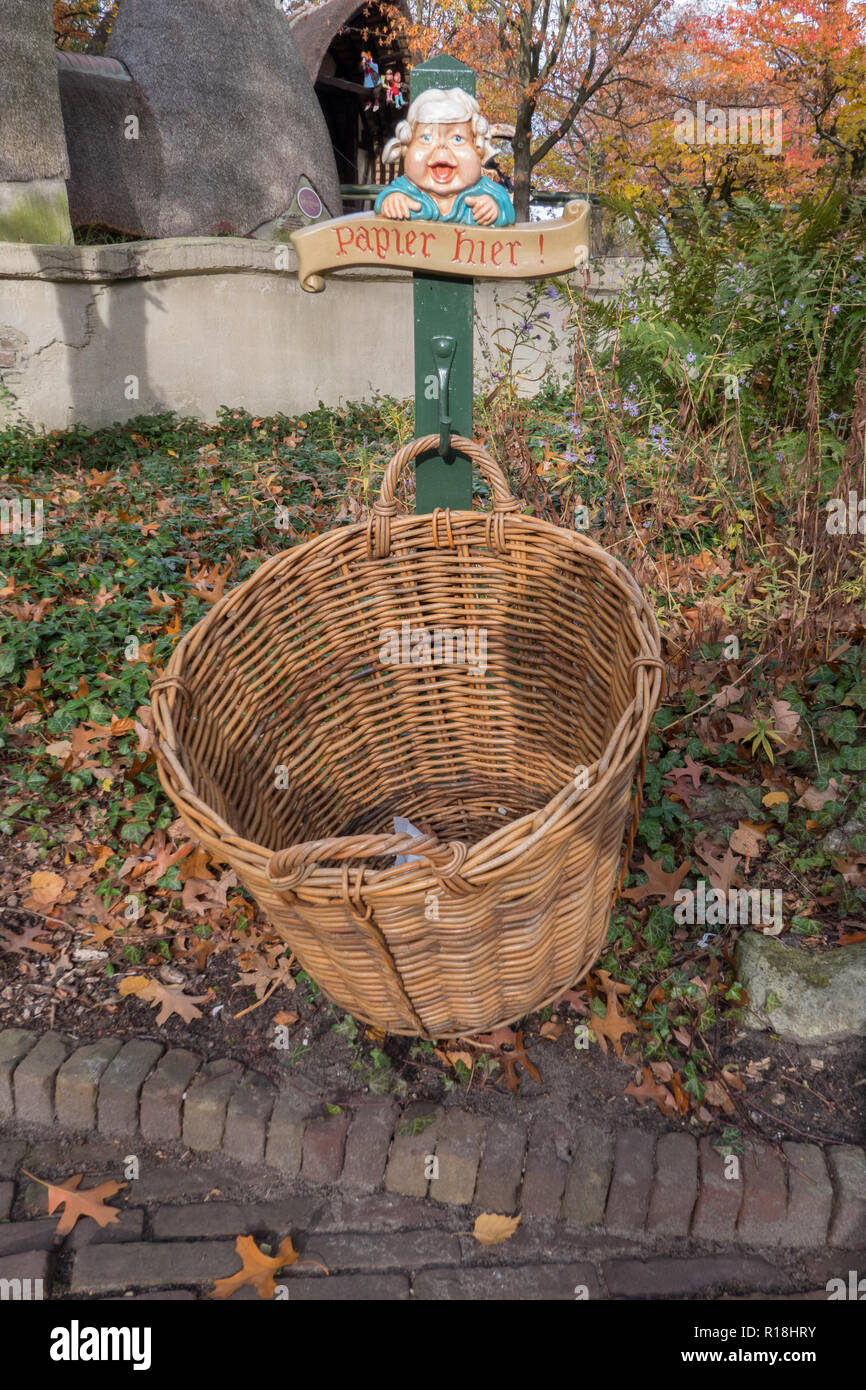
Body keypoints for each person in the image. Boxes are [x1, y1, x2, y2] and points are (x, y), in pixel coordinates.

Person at [375, 87, 515, 227]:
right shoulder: (405, 190)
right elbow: (383, 201)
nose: (441, 147)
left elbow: (505, 207)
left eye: (457, 139)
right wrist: (392, 202)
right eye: (426, 138)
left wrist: (493, 208)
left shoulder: (484, 191)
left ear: (478, 149)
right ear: (407, 147)